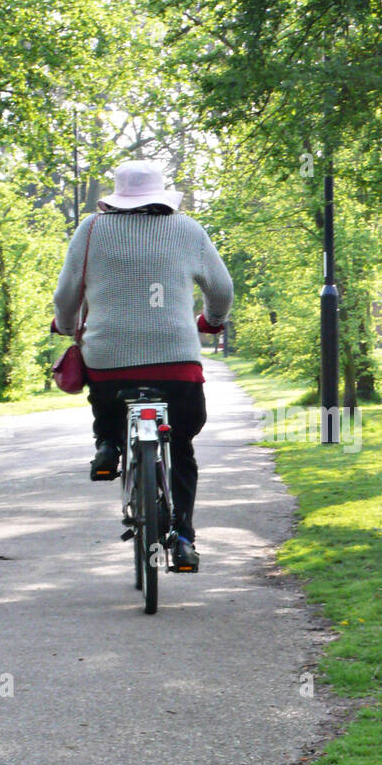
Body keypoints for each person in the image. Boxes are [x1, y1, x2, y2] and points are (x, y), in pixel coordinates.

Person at [51, 160, 232, 572]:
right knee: (181, 446)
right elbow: (221, 289)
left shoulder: (92, 229)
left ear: (116, 196)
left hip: (110, 360)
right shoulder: (187, 229)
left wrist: (65, 326)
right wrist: (212, 322)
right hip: (177, 363)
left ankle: (109, 445)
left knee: (109, 399)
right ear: (161, 194)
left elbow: (66, 294)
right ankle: (184, 538)